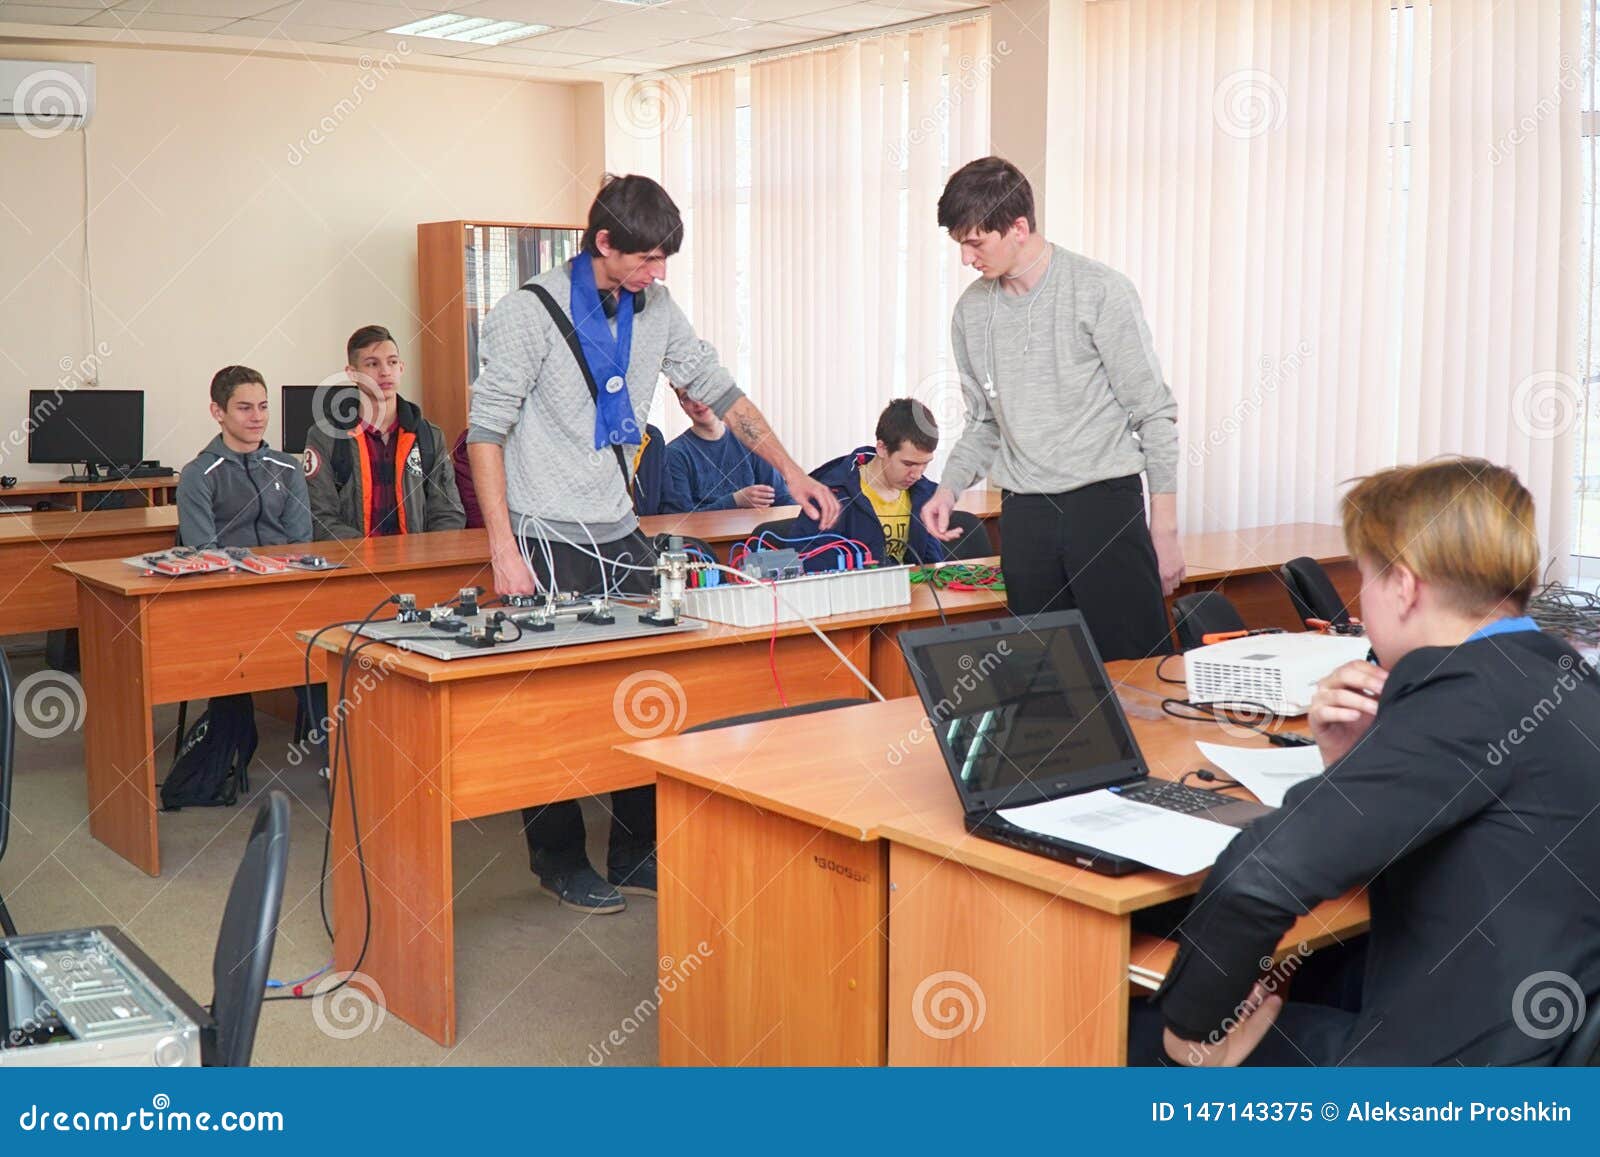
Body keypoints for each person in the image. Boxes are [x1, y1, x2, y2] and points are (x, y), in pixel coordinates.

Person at [1137, 458, 1600, 1066]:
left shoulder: (1465, 699)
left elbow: (1256, 881)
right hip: (1535, 1034)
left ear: (1404, 586)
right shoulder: (1557, 675)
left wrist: (1190, 1030)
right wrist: (1348, 761)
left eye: (1365, 578)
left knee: (1133, 1035)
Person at [467, 173, 839, 915]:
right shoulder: (526, 313)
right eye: (647, 259)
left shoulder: (657, 307)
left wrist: (794, 471)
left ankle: (636, 851)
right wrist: (504, 550)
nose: (659, 273)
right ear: (603, 243)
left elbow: (723, 392)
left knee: (654, 691)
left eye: (666, 259)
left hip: (621, 529)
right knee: (557, 706)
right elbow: (486, 433)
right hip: (544, 535)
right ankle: (559, 857)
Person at [922, 156, 1183, 660]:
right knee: (1051, 680)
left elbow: (1153, 412)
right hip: (1025, 515)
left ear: (1018, 227)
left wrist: (1164, 528)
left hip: (1103, 505)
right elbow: (983, 421)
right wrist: (948, 488)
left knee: (1138, 674)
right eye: (961, 245)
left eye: (976, 242)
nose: (967, 258)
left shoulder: (1099, 291)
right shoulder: (972, 313)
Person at [305, 326, 465, 539]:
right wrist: (369, 558)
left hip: (417, 565)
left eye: (392, 362)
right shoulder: (326, 437)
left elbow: (448, 512)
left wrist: (426, 559)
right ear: (352, 373)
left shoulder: (429, 436)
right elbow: (319, 518)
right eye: (372, 364)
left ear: (401, 368)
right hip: (354, 564)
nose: (385, 372)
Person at [789, 398, 947, 570]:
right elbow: (810, 566)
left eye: (925, 464)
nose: (917, 475)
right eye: (908, 464)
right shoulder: (833, 494)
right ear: (882, 448)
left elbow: (931, 567)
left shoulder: (924, 494)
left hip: (913, 594)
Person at [178, 365, 312, 547]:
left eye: (263, 407)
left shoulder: (289, 468)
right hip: (227, 573)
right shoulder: (198, 474)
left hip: (284, 572)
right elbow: (203, 550)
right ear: (218, 412)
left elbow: (301, 543)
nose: (257, 417)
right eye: (245, 408)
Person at [662, 386, 792, 513]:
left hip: (757, 534)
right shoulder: (674, 454)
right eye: (687, 397)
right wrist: (735, 501)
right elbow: (680, 519)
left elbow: (783, 499)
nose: (697, 402)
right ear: (682, 406)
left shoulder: (750, 440)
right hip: (701, 535)